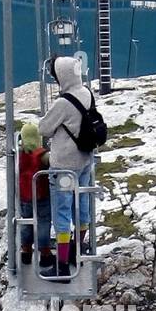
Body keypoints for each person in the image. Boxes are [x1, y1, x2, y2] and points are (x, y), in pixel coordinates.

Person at [39, 55, 95, 279]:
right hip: (84, 162)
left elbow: (44, 128)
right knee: (81, 207)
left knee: (61, 213)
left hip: (63, 167)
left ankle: (61, 265)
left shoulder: (63, 103)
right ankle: (76, 251)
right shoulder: (87, 94)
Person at [17, 121, 54, 271]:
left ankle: (26, 251)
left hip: (25, 196)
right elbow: (53, 162)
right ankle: (44, 254)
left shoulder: (20, 153)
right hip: (42, 195)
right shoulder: (42, 154)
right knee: (43, 223)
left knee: (26, 222)